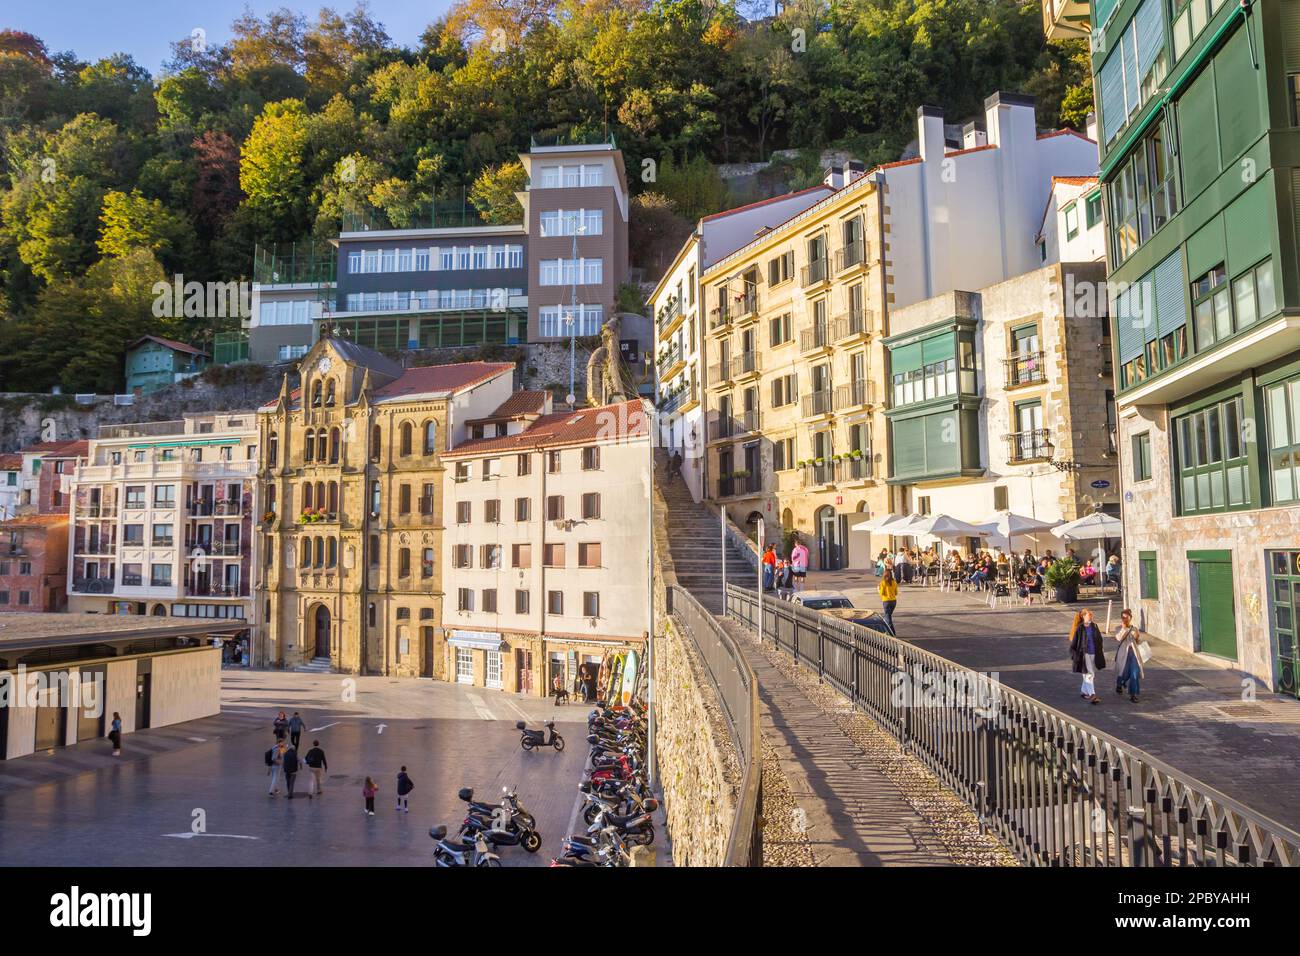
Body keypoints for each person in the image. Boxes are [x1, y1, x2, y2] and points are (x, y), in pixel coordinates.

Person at [1069, 609, 1106, 704]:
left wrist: (1101, 649)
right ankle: (1092, 695)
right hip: (1084, 654)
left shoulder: (1094, 626)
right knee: (1090, 674)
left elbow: (1099, 639)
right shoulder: (1080, 628)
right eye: (1089, 615)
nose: (1091, 617)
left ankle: (1084, 691)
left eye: (1091, 615)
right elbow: (1074, 643)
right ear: (1083, 616)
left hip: (1094, 653)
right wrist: (1074, 655)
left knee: (1087, 673)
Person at [1113, 609, 1144, 703]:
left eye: (1126, 617)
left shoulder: (1134, 628)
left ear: (1130, 618)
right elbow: (1119, 638)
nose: (1124, 619)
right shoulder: (1118, 628)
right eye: (1123, 617)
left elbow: (1138, 642)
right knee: (1123, 672)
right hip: (1124, 655)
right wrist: (1124, 629)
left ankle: (1133, 694)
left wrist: (1137, 637)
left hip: (1134, 654)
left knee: (1134, 673)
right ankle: (1119, 684)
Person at [878, 567, 898, 634]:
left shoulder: (883, 582)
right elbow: (896, 593)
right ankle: (887, 631)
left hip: (886, 601)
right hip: (894, 601)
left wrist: (878, 589)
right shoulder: (894, 582)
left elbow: (881, 593)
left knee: (888, 617)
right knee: (888, 616)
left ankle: (891, 632)